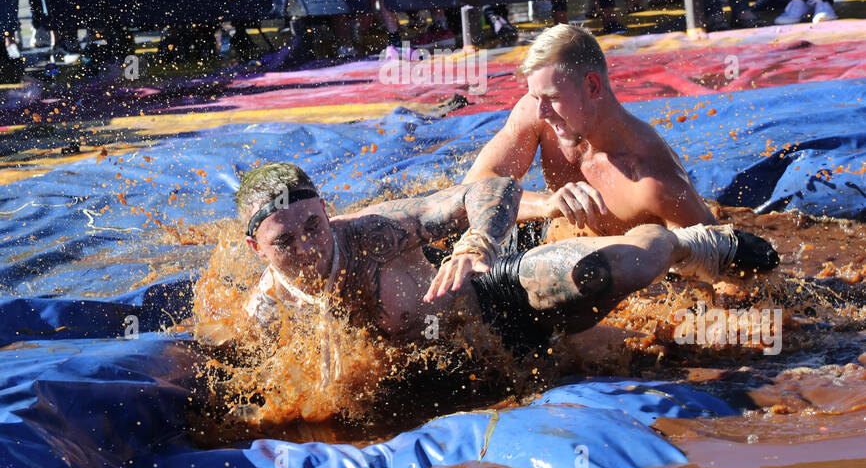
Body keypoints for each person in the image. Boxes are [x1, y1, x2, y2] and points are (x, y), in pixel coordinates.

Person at [237, 162, 779, 385]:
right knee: (652, 350)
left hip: (495, 301)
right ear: (257, 250)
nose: (307, 248)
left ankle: (692, 245)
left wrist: (477, 242)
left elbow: (494, 187)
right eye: (285, 242)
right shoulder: (267, 311)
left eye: (313, 226)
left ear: (327, 211)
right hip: (461, 371)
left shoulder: (375, 235)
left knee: (604, 270)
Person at [464, 23, 716, 235]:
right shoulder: (537, 113)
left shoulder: (654, 182)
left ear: (593, 86)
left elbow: (721, 269)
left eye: (552, 98)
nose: (541, 111)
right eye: (535, 97)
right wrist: (544, 205)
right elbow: (472, 187)